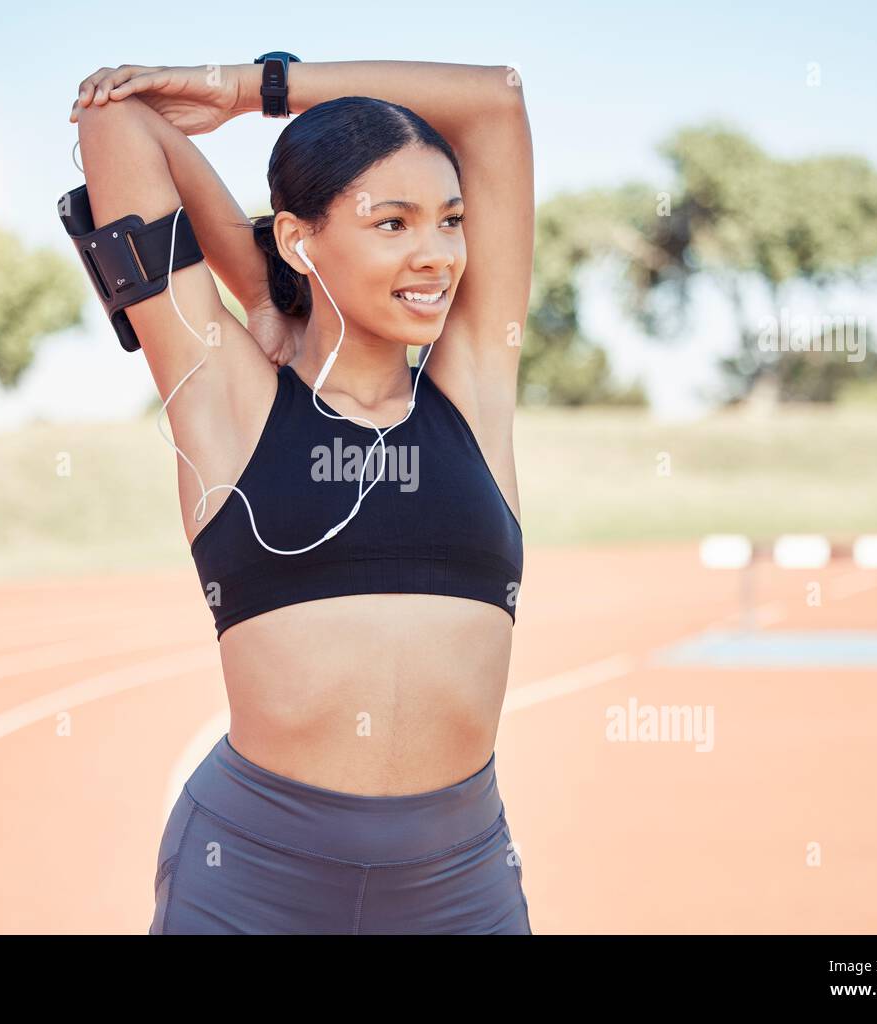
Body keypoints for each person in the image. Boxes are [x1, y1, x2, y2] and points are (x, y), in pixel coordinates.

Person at [70, 58, 533, 934]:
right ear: (297, 236)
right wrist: (265, 282)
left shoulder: (477, 390)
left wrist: (256, 89)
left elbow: (498, 99)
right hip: (253, 883)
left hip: (459, 888)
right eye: (391, 223)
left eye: (450, 220)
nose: (435, 253)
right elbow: (115, 124)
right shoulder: (227, 404)